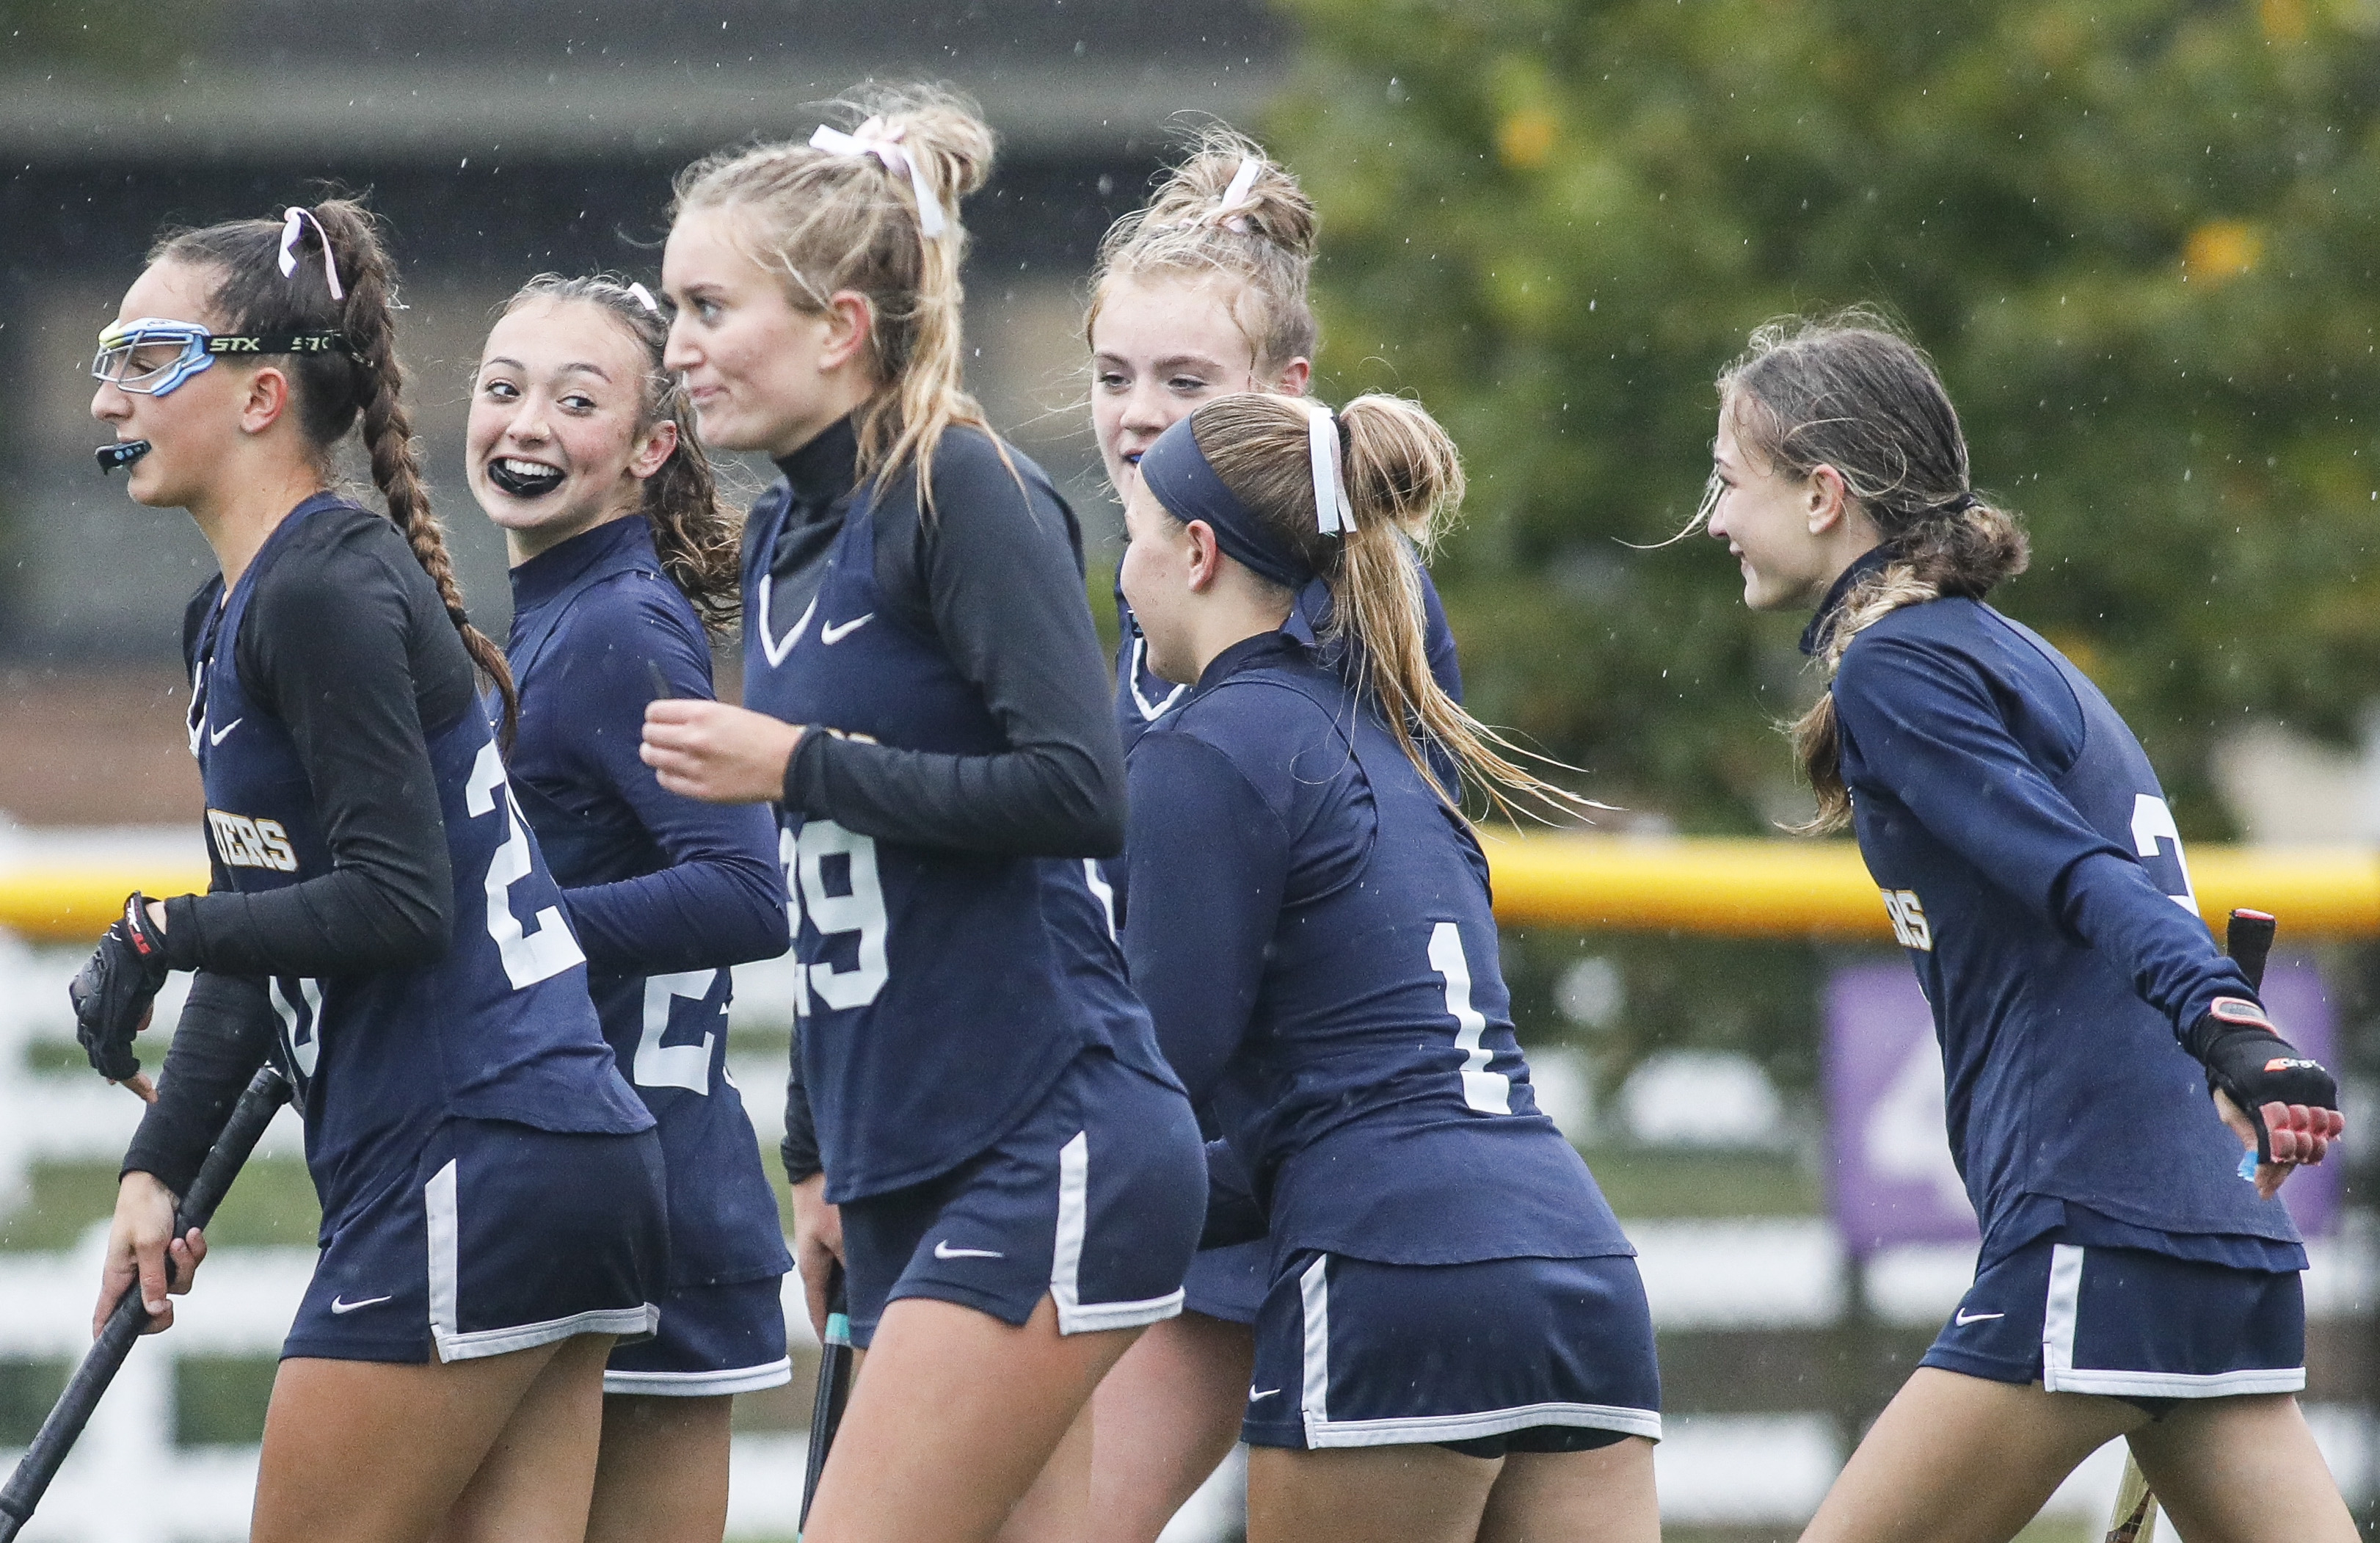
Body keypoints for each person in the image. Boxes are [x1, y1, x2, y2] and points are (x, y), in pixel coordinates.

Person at [634, 87, 1207, 1543]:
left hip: (1047, 1129)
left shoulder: (960, 485)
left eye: (709, 305)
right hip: (901, 1151)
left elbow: (1082, 793)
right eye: (670, 306)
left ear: (837, 326)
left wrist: (798, 761)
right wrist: (815, 1153)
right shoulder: (779, 533)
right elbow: (846, 886)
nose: (677, 346)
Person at [1694, 312, 2350, 1543]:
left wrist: (2229, 1028)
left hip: (2096, 1220)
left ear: (1824, 494)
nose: (1717, 519)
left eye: (1731, 483)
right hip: (2209, 1233)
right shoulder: (2014, 655)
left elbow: (2085, 878)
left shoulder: (1898, 667)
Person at [75, 200, 666, 1543]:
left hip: (471, 1152)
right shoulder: (240, 606)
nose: (110, 390)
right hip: (545, 1155)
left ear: (261, 394)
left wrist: (156, 933)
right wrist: (159, 1164)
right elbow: (273, 906)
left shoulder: (319, 590)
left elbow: (401, 903)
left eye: (145, 355)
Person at [1117, 390, 1662, 1543]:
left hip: (1394, 1269)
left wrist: (972, 1214)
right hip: (1577, 1256)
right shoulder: (1398, 732)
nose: (1125, 573)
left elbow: (1150, 1098)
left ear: (1199, 552)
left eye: (1136, 536)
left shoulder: (1205, 748)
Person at [1082, 131, 1469, 1543]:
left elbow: (1394, 886)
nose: (1138, 413)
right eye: (1116, 376)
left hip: (1313, 1176)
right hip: (1209, 1175)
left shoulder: (1352, 594)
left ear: (1285, 401)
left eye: (1188, 384)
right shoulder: (1143, 594)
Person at [465, 272, 795, 1543]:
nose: (527, 423)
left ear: (653, 446)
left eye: (576, 398)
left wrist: (495, 934)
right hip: (598, 1188)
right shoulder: (557, 615)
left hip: (638, 1189)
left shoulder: (615, 624)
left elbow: (742, 890)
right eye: (503, 389)